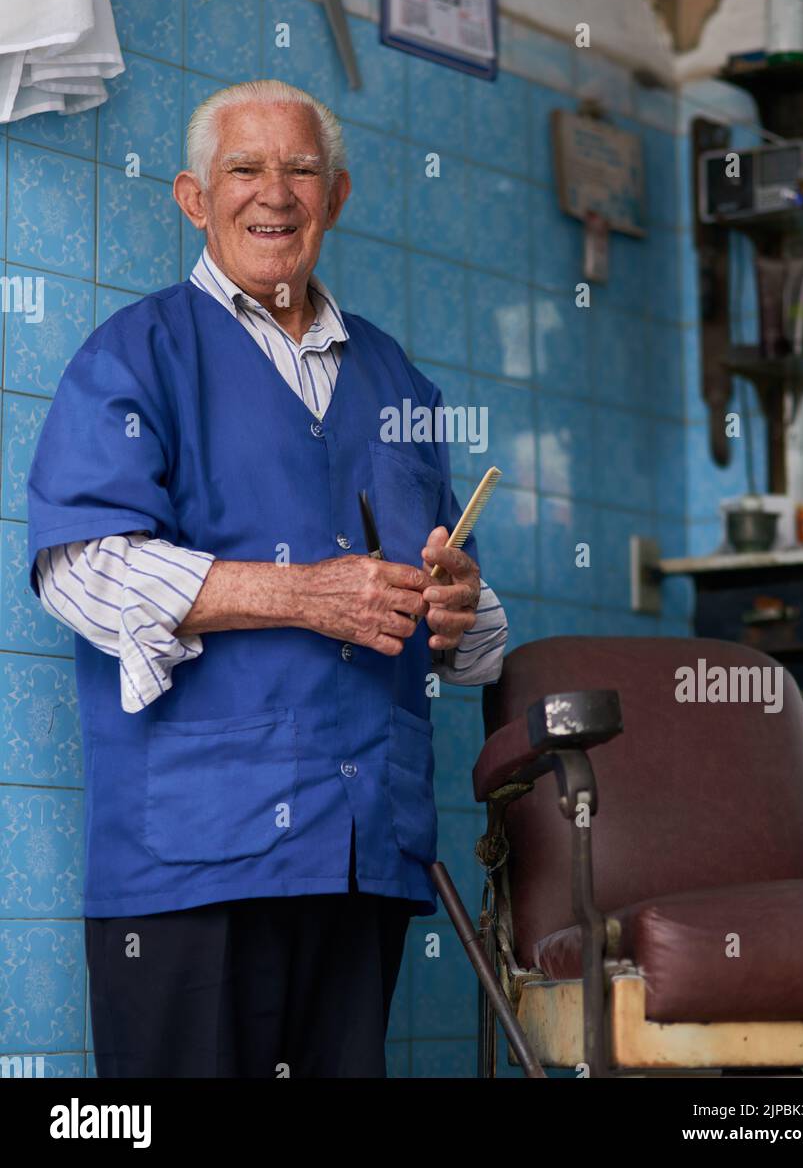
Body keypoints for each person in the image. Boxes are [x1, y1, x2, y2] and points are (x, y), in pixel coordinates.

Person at [27, 79, 508, 1078]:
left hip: (362, 851)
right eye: (244, 168)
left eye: (299, 170)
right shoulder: (138, 355)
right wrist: (300, 593)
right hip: (191, 861)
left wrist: (462, 608)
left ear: (336, 196)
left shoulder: (400, 382)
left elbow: (464, 621)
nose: (273, 193)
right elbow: (82, 570)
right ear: (194, 198)